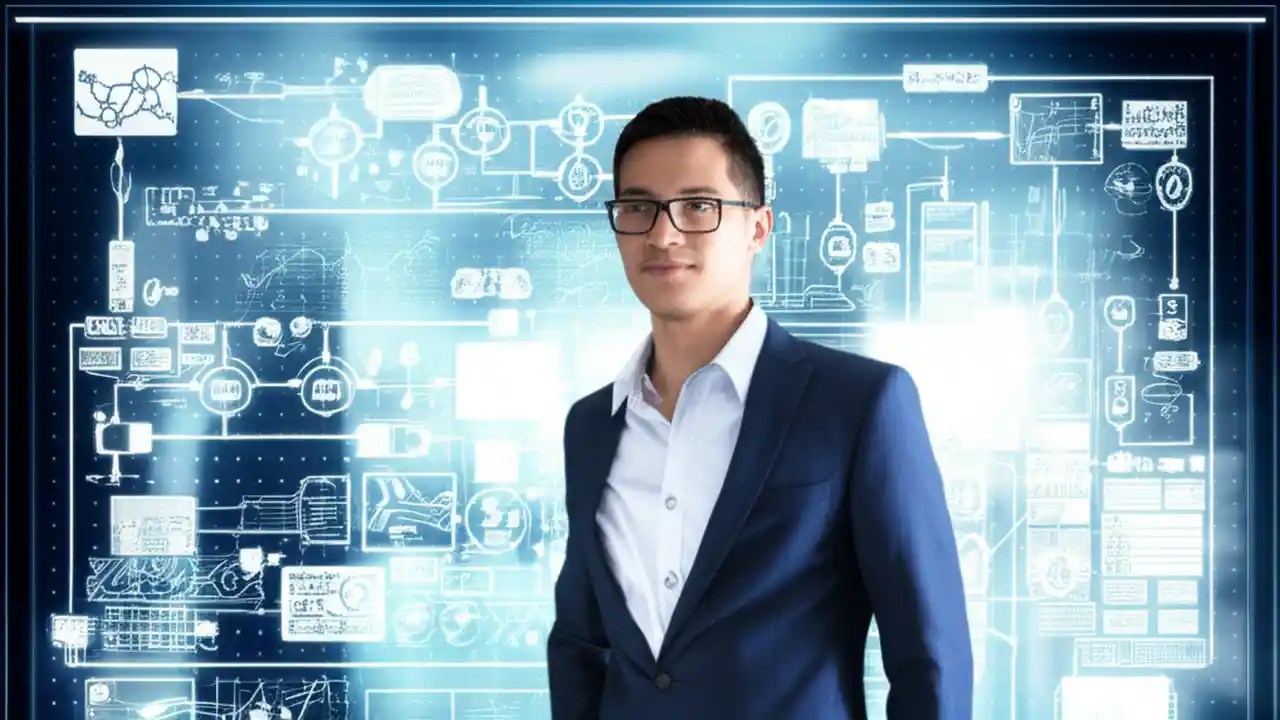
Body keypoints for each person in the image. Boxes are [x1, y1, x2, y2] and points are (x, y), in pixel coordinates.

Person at [547, 96, 973, 719]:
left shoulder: (860, 404)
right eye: (638, 207)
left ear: (757, 228)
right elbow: (582, 644)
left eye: (698, 206)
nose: (663, 234)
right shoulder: (590, 425)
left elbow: (928, 656)